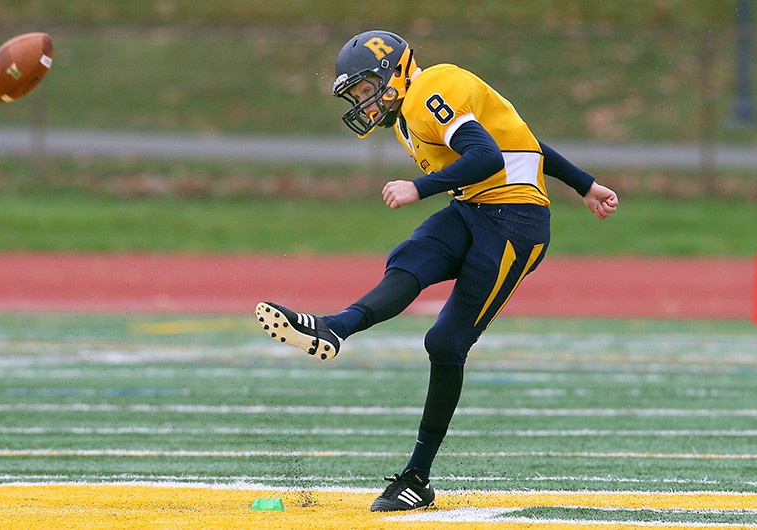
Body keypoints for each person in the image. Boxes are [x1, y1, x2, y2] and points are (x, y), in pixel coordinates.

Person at [255, 29, 618, 512]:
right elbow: (526, 143)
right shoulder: (411, 113)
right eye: (357, 95)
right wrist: (586, 184)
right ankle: (334, 329)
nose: (364, 103)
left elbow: (487, 156)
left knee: (445, 343)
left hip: (516, 223)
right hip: (473, 207)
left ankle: (418, 477)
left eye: (367, 90)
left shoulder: (428, 93)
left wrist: (418, 187)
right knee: (411, 259)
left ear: (395, 73)